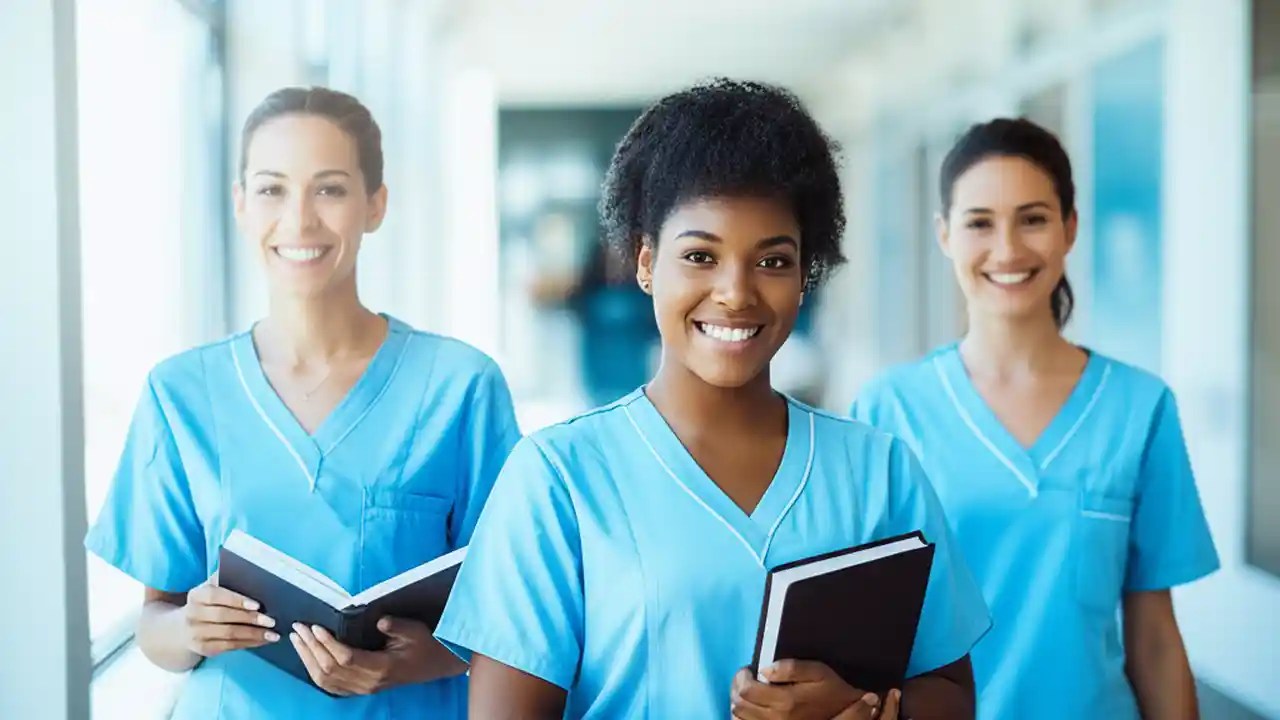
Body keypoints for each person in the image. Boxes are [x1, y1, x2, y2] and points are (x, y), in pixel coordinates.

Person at [434, 79, 990, 720]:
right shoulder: (557, 479)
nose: (735, 293)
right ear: (646, 263)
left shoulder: (879, 473)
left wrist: (864, 709)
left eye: (773, 262)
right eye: (700, 256)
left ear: (805, 274)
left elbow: (952, 697)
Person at [84, 86, 521, 719]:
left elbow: (513, 611)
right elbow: (158, 622)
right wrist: (189, 629)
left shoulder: (461, 387)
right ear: (240, 204)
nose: (299, 220)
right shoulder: (180, 393)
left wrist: (413, 662)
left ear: (376, 204)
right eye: (272, 189)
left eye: (330, 189)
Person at [852, 117, 1219, 719]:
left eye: (1033, 219)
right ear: (944, 234)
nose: (1008, 249)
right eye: (980, 223)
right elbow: (862, 623)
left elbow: (1154, 635)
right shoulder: (888, 410)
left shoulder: (1139, 408)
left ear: (1070, 227)